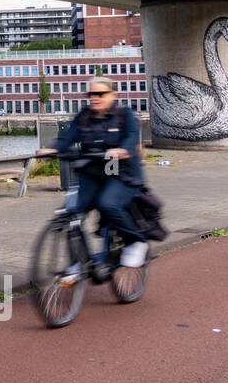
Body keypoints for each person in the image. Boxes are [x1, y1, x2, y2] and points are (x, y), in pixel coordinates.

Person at [37, 78, 150, 279]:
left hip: (120, 172)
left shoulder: (124, 115)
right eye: (91, 94)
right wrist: (53, 148)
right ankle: (77, 263)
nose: (94, 98)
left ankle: (136, 242)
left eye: (100, 94)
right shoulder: (84, 116)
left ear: (113, 95)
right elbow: (67, 137)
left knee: (107, 203)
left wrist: (122, 149)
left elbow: (132, 137)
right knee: (71, 213)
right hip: (93, 172)